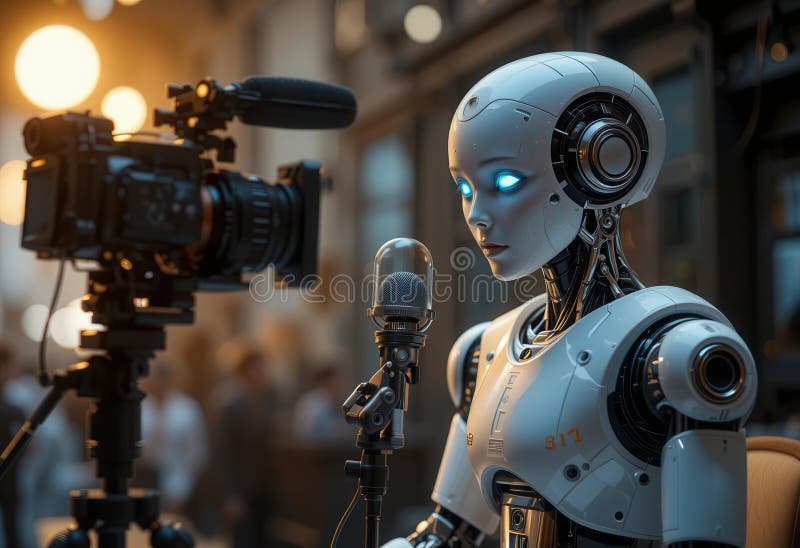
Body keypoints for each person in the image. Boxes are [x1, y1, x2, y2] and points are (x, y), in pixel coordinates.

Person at [384, 52, 757, 547]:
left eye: (506, 182)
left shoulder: (672, 354)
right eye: (466, 189)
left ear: (601, 168)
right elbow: (447, 534)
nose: (476, 215)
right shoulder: (484, 351)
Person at [213, 346, 280, 547]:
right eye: (256, 368)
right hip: (241, 484)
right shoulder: (230, 404)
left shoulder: (271, 398)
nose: (261, 372)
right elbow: (222, 452)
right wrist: (230, 494)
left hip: (267, 484)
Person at [139, 359, 209, 515]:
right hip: (144, 479)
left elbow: (195, 454)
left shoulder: (187, 409)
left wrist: (181, 488)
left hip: (176, 482)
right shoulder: (141, 407)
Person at [0, 342, 24, 548]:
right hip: (9, 478)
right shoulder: (12, 410)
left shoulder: (15, 409)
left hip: (10, 480)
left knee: (12, 526)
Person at [291, 364, 350, 443]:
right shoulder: (320, 401)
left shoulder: (312, 397)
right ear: (329, 381)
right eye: (338, 381)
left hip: (307, 445)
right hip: (312, 447)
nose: (342, 384)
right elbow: (317, 431)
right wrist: (346, 427)